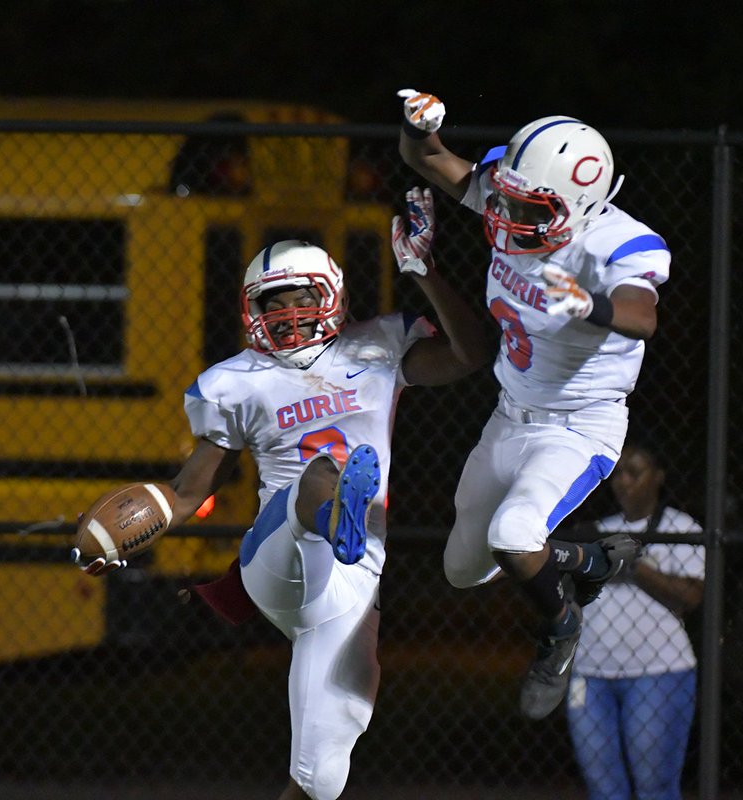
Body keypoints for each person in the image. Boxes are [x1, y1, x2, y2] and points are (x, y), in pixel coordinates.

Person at [77, 190, 493, 800]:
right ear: (253, 309)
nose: (291, 311)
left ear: (334, 296)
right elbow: (189, 491)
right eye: (276, 300)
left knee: (321, 780)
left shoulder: (377, 347)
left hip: (353, 581)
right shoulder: (238, 381)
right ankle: (331, 509)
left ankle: (340, 519)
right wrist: (119, 534)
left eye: (303, 296)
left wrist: (424, 272)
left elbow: (471, 354)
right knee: (316, 475)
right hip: (276, 557)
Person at [396, 88, 671, 719]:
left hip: (577, 428)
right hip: (508, 412)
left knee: (513, 533)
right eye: (508, 195)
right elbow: (429, 159)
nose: (507, 212)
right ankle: (587, 560)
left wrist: (590, 304)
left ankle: (560, 630)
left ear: (582, 206)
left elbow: (643, 315)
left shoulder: (615, 245)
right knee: (462, 570)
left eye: (529, 205)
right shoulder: (518, 194)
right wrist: (418, 130)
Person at [567, 442, 705, 800]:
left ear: (657, 478)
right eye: (618, 472)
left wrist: (632, 565)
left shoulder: (680, 527)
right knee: (603, 789)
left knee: (654, 788)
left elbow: (690, 596)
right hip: (591, 674)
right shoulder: (598, 529)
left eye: (635, 472)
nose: (623, 481)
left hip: (658, 673)